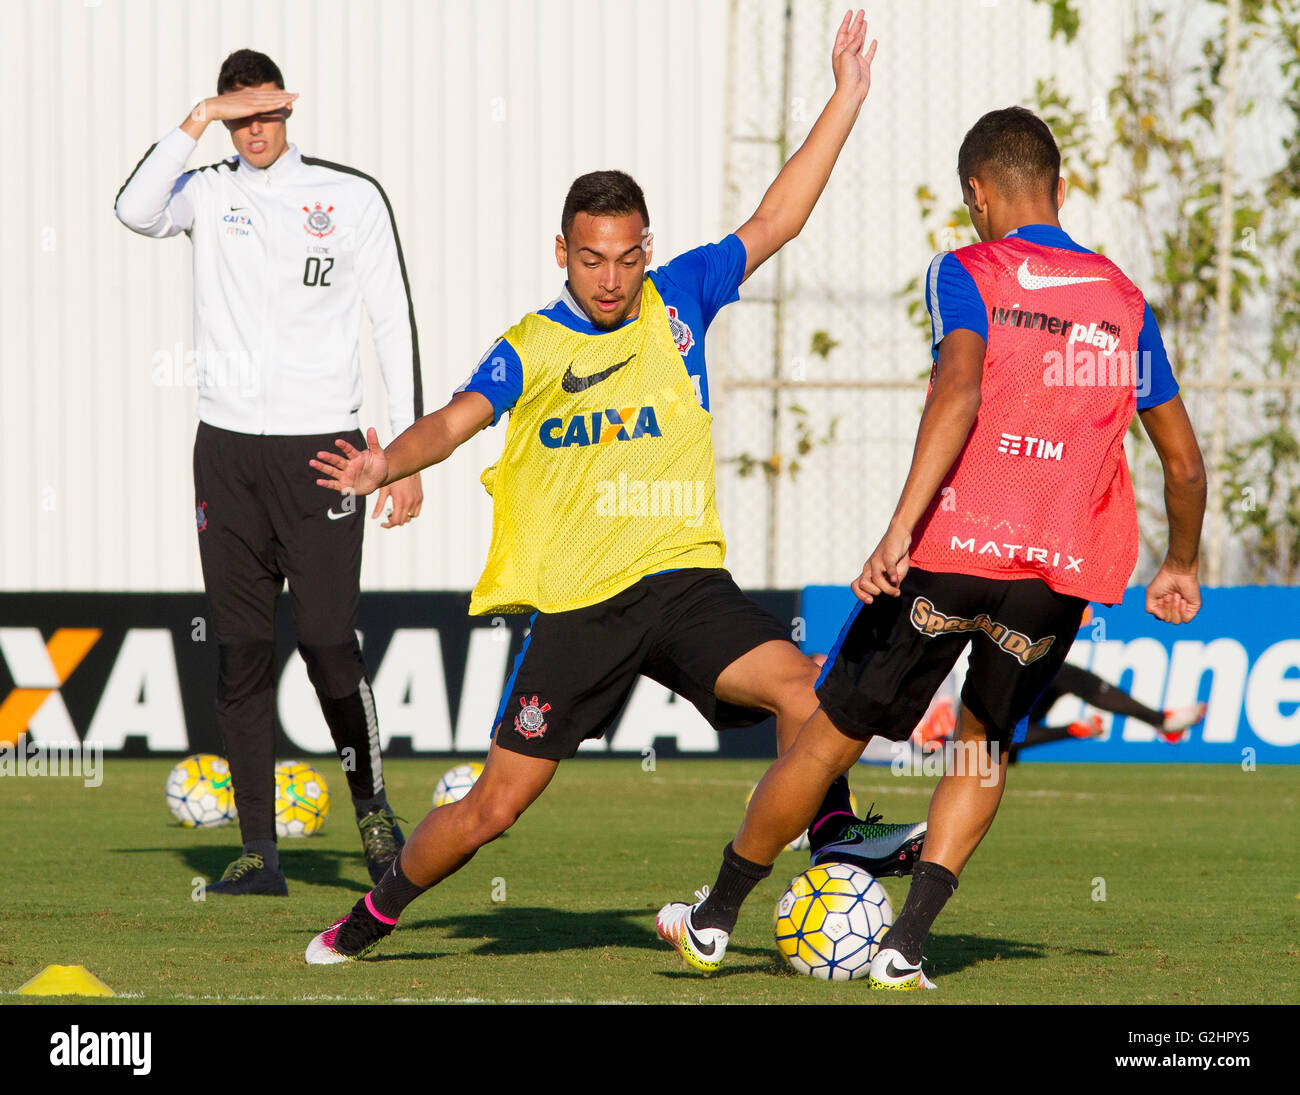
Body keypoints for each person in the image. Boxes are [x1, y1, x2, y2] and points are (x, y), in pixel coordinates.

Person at [303, 11, 923, 964]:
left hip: (682, 583)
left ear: (647, 249)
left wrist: (845, 96)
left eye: (627, 256)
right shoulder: (533, 345)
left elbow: (777, 218)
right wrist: (388, 462)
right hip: (583, 605)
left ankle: (828, 836)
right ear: (563, 252)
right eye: (591, 258)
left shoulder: (680, 296)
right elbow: (461, 415)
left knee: (814, 695)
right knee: (491, 809)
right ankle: (369, 918)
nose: (612, 276)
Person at [655, 104, 1207, 985]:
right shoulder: (1123, 301)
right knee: (981, 743)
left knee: (832, 736)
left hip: (952, 552)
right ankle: (907, 942)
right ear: (1059, 190)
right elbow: (1181, 462)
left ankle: (716, 917)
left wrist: (899, 529)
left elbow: (958, 390)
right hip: (1055, 574)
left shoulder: (969, 270)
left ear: (978, 195)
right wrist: (1180, 561)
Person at [114, 49, 422, 894]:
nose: (254, 131)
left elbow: (392, 317)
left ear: (288, 113)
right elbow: (133, 209)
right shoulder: (205, 190)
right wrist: (198, 117)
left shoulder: (347, 194)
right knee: (242, 651)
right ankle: (257, 853)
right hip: (227, 453)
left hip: (323, 452)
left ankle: (373, 814)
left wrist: (401, 455)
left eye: (266, 115)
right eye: (240, 116)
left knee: (328, 643)